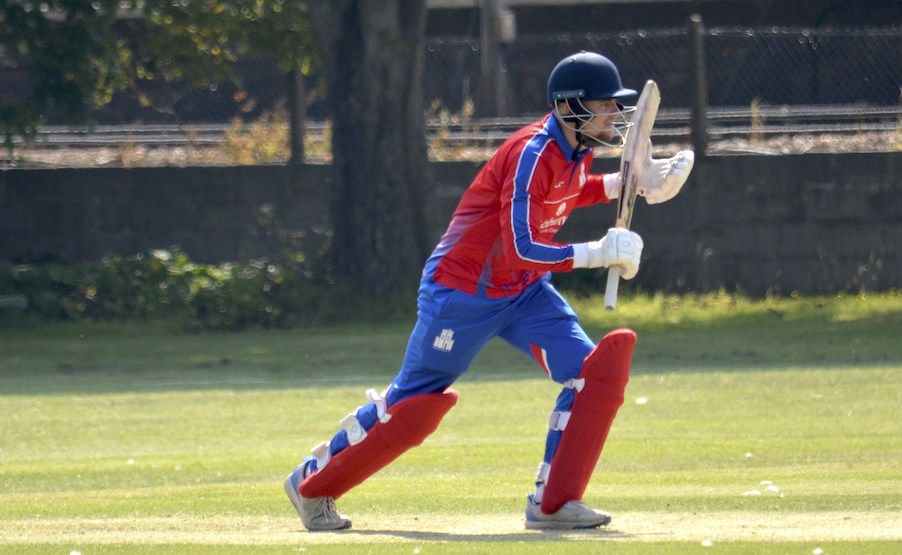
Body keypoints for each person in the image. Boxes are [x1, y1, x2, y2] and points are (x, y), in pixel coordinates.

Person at [284, 51, 694, 531]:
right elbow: (521, 247)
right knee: (413, 407)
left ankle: (553, 504)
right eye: (603, 105)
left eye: (614, 105)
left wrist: (628, 183)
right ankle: (311, 482)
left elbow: (565, 192)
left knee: (591, 377)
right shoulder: (531, 153)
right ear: (568, 108)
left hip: (523, 291)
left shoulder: (576, 149)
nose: (614, 115)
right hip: (463, 292)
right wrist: (596, 253)